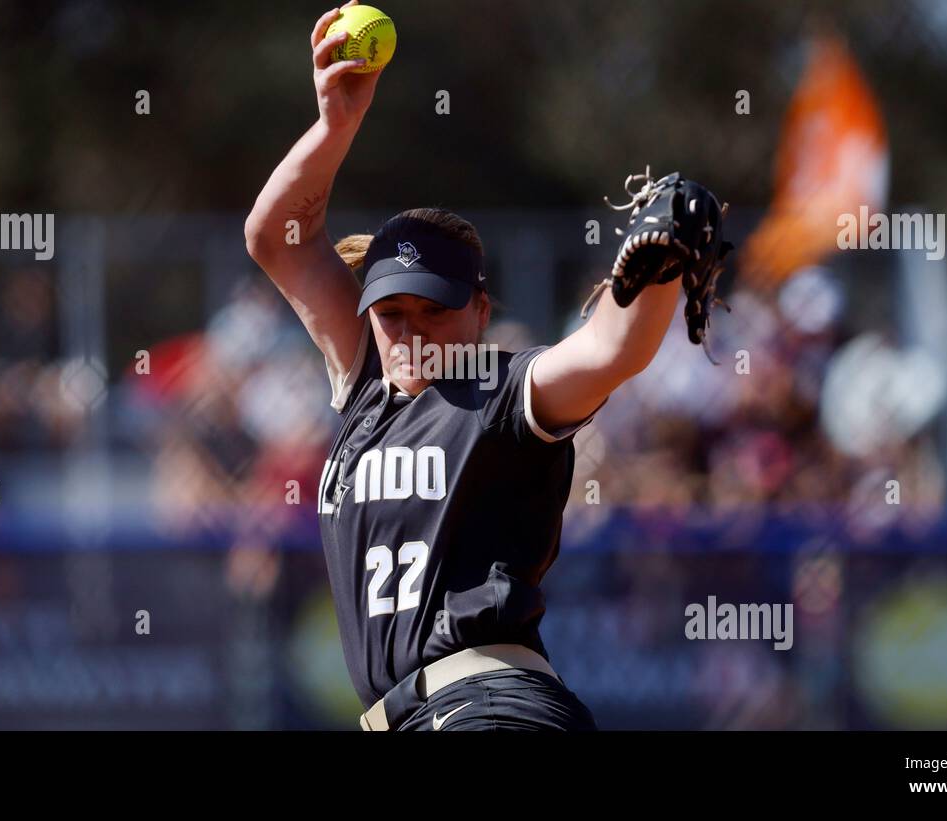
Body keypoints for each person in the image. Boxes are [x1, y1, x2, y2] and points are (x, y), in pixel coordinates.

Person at [244, 1, 682, 731]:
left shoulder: (500, 392)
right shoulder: (363, 391)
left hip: (488, 708)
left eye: (435, 309)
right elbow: (276, 237)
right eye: (391, 312)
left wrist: (659, 268)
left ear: (480, 311)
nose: (410, 330)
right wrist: (336, 126)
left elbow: (612, 349)